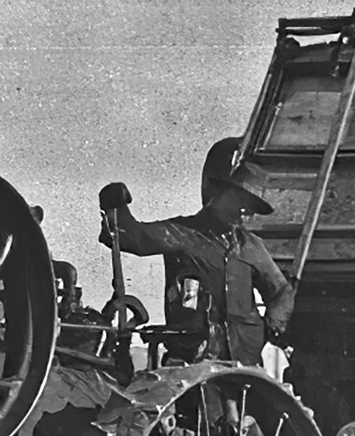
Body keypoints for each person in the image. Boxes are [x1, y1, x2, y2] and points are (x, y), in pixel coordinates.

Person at [96, 138, 294, 367]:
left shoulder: (252, 246)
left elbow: (280, 291)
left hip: (245, 360)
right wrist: (115, 208)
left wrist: (272, 326)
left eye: (250, 207)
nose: (244, 212)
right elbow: (133, 237)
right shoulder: (182, 233)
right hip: (193, 358)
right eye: (240, 201)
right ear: (218, 195)